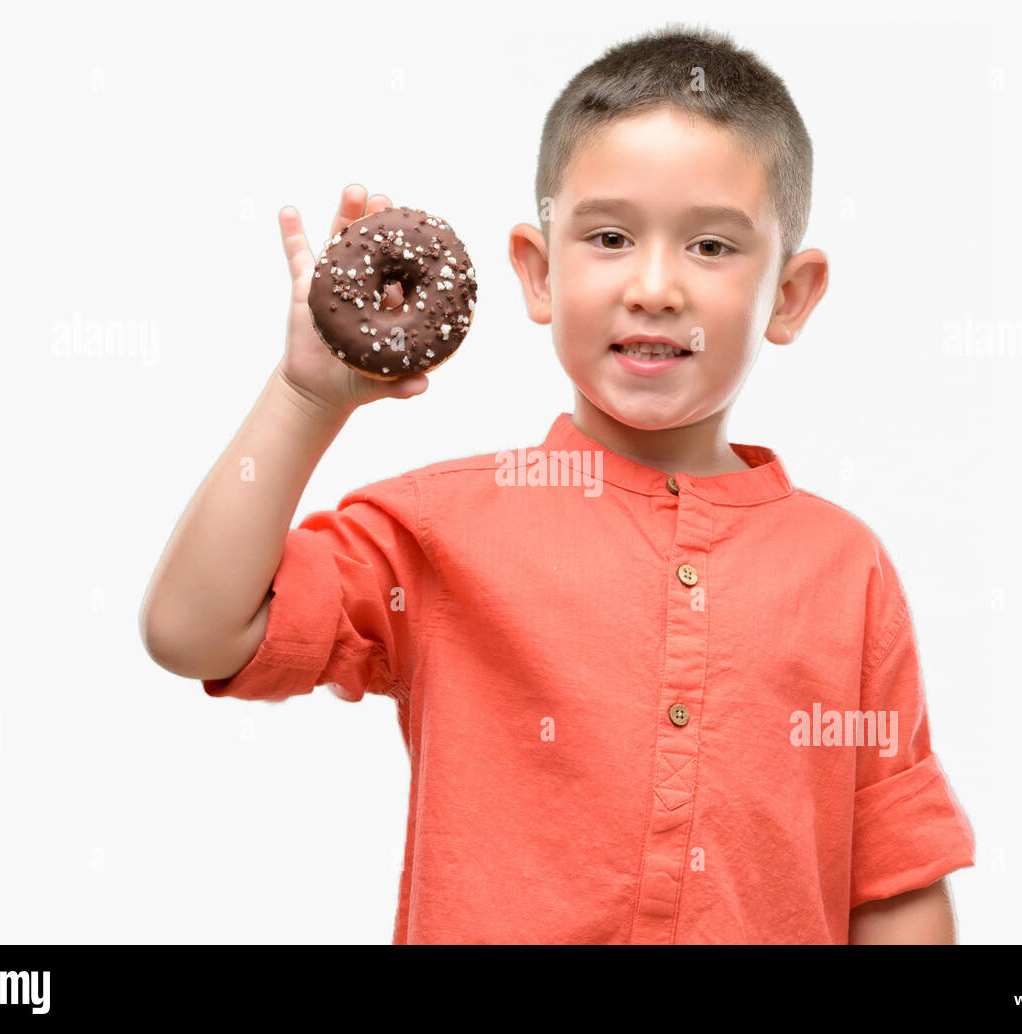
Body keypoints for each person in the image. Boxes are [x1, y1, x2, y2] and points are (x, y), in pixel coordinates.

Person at [139, 24, 975, 944]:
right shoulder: (441, 531)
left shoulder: (845, 569)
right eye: (610, 237)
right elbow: (195, 630)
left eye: (711, 247)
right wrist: (304, 397)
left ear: (790, 295)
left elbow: (893, 877)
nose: (655, 287)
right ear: (538, 274)